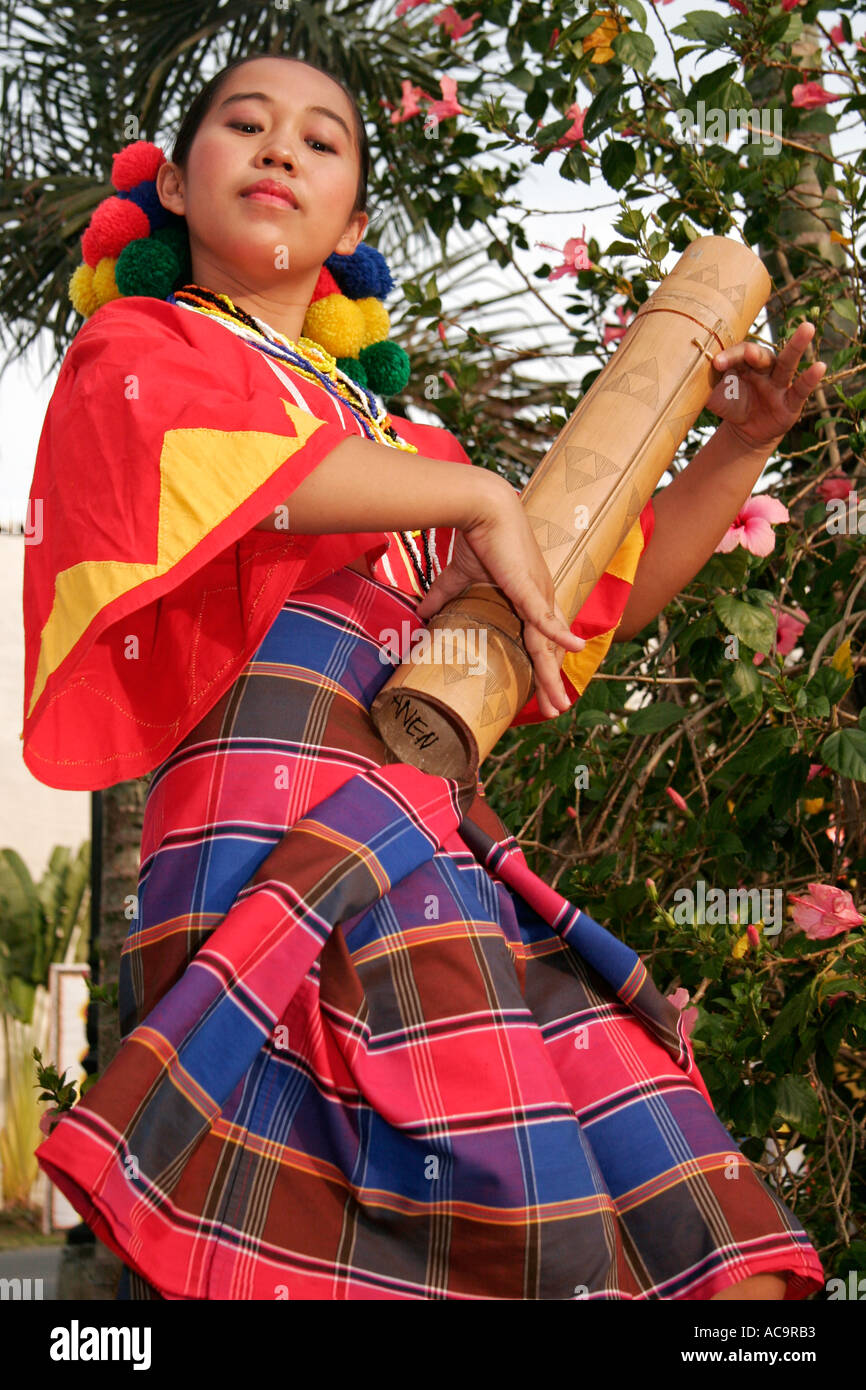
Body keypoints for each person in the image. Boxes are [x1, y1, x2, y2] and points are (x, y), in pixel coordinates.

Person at [26, 52, 829, 1301]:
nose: (278, 147)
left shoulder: (402, 442)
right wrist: (473, 496)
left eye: (320, 140)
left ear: (350, 226)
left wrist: (732, 447)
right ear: (175, 186)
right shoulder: (139, 348)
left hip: (428, 839)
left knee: (701, 1228)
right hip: (277, 840)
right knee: (538, 1243)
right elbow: (225, 475)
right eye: (244, 125)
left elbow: (572, 593)